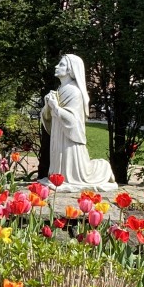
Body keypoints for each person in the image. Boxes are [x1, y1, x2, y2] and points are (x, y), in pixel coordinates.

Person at [41, 54, 118, 191]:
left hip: (69, 139)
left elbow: (74, 121)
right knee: (58, 174)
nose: (56, 66)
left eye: (62, 65)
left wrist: (56, 107)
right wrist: (48, 105)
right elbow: (48, 116)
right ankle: (57, 177)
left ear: (71, 70)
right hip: (59, 136)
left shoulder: (75, 92)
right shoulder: (60, 90)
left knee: (77, 175)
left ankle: (103, 168)